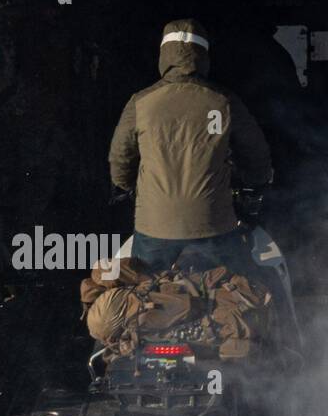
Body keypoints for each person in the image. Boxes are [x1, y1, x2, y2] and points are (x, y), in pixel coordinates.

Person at [108, 19, 273, 274]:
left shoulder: (141, 103)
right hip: (214, 224)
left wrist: (126, 186)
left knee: (141, 292)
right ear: (203, 56)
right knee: (243, 287)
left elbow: (120, 157)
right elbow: (256, 153)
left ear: (164, 55)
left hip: (154, 226)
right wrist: (254, 185)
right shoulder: (224, 101)